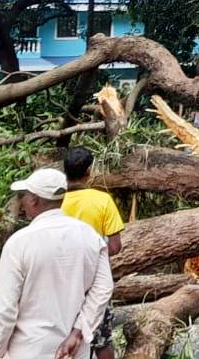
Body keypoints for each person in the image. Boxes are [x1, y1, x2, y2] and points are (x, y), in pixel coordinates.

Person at [0, 168, 112, 359]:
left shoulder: (19, 243)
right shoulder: (90, 236)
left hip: (28, 350)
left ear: (34, 200)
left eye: (25, 196)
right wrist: (78, 332)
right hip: (74, 352)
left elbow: (5, 308)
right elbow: (103, 289)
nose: (22, 202)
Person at [61, 148, 124, 359]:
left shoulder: (54, 202)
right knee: (101, 339)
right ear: (89, 170)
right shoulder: (102, 200)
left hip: (60, 279)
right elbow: (115, 247)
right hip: (94, 280)